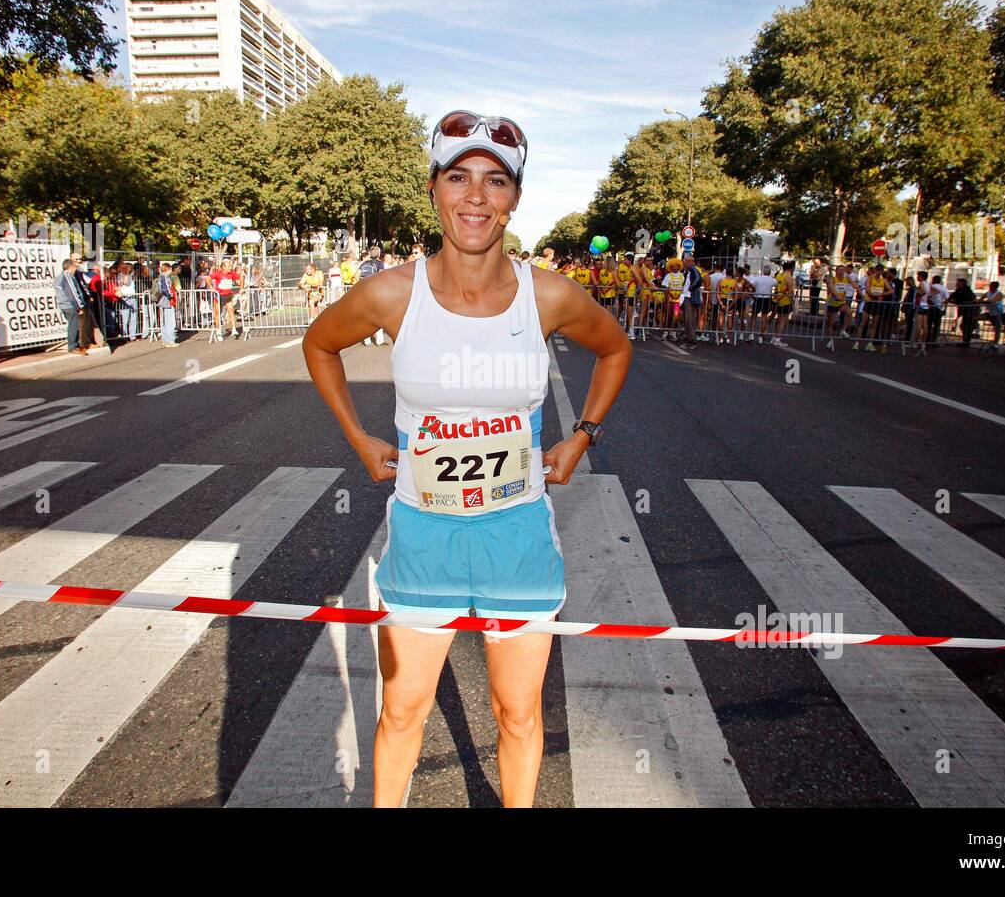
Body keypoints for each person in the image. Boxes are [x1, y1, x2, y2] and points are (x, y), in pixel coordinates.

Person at [302, 109, 630, 808]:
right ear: (433, 189)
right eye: (459, 177)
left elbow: (615, 348)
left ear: (514, 198)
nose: (476, 196)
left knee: (518, 715)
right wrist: (359, 437)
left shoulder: (548, 295)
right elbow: (319, 343)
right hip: (425, 534)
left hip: (518, 535)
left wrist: (583, 436)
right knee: (401, 714)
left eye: (494, 180)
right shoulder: (394, 293)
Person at [53, 257, 88, 355]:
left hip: (66, 305)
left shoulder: (60, 277)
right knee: (74, 326)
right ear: (70, 266)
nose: (75, 268)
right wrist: (79, 306)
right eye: (74, 266)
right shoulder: (67, 276)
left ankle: (75, 345)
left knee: (73, 325)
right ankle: (73, 347)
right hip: (69, 305)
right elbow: (72, 292)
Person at [677, 254, 703, 348]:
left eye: (688, 261)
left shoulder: (693, 270)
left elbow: (698, 280)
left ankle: (691, 341)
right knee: (687, 320)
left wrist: (690, 288)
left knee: (689, 320)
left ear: (692, 262)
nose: (686, 263)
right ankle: (690, 339)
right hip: (686, 297)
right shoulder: (687, 271)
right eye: (685, 261)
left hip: (690, 298)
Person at [210, 258, 241, 338]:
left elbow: (239, 278)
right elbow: (208, 278)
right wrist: (211, 287)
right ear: (223, 267)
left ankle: (234, 329)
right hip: (219, 296)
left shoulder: (231, 273)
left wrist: (242, 286)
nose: (230, 267)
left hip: (228, 295)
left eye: (230, 266)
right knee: (217, 314)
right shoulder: (218, 274)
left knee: (231, 310)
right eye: (228, 266)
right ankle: (218, 331)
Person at [769, 259, 795, 346]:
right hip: (786, 300)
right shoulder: (789, 277)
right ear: (792, 268)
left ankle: (774, 337)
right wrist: (792, 301)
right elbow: (791, 291)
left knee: (779, 319)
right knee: (783, 320)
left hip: (778, 299)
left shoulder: (779, 275)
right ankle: (778, 338)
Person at [947, 277, 978, 347]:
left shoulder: (967, 291)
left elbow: (965, 299)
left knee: (967, 326)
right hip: (964, 310)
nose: (956, 284)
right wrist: (950, 300)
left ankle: (966, 341)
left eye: (958, 282)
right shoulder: (959, 290)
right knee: (963, 326)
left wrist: (955, 301)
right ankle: (965, 341)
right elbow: (953, 296)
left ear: (962, 283)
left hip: (970, 310)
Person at [155, 261, 179, 347]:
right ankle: (170, 340)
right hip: (166, 301)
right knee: (170, 321)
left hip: (161, 301)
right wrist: (171, 296)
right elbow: (165, 289)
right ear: (168, 269)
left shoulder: (159, 277)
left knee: (164, 321)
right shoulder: (165, 277)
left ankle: (165, 340)